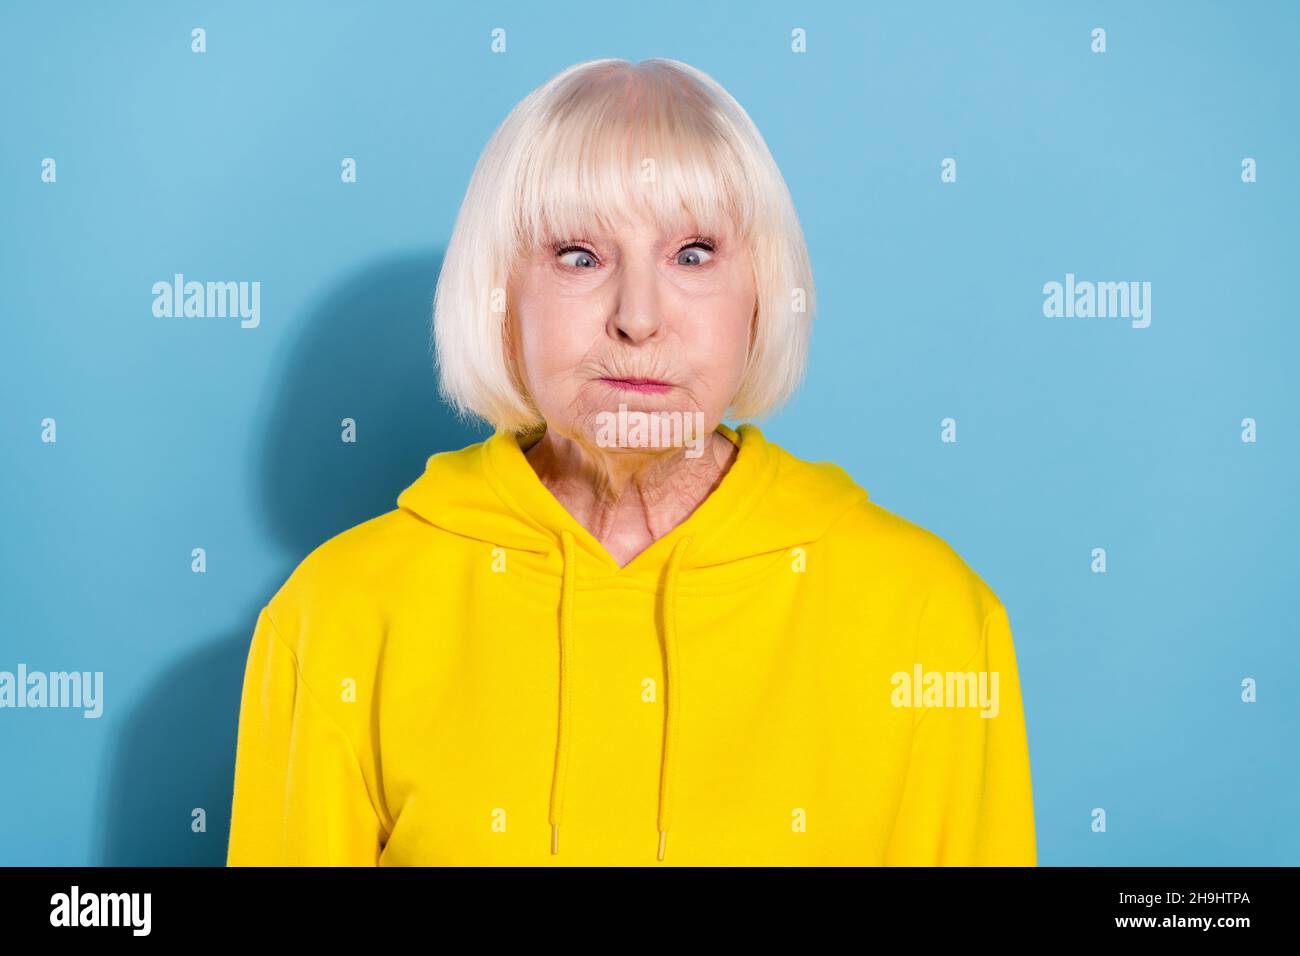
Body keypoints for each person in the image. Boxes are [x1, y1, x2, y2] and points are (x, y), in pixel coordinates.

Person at [226, 57, 1036, 866]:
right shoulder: (335, 617)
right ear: (499, 296)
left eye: (693, 252)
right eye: (578, 256)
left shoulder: (933, 620)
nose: (639, 319)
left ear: (763, 289)